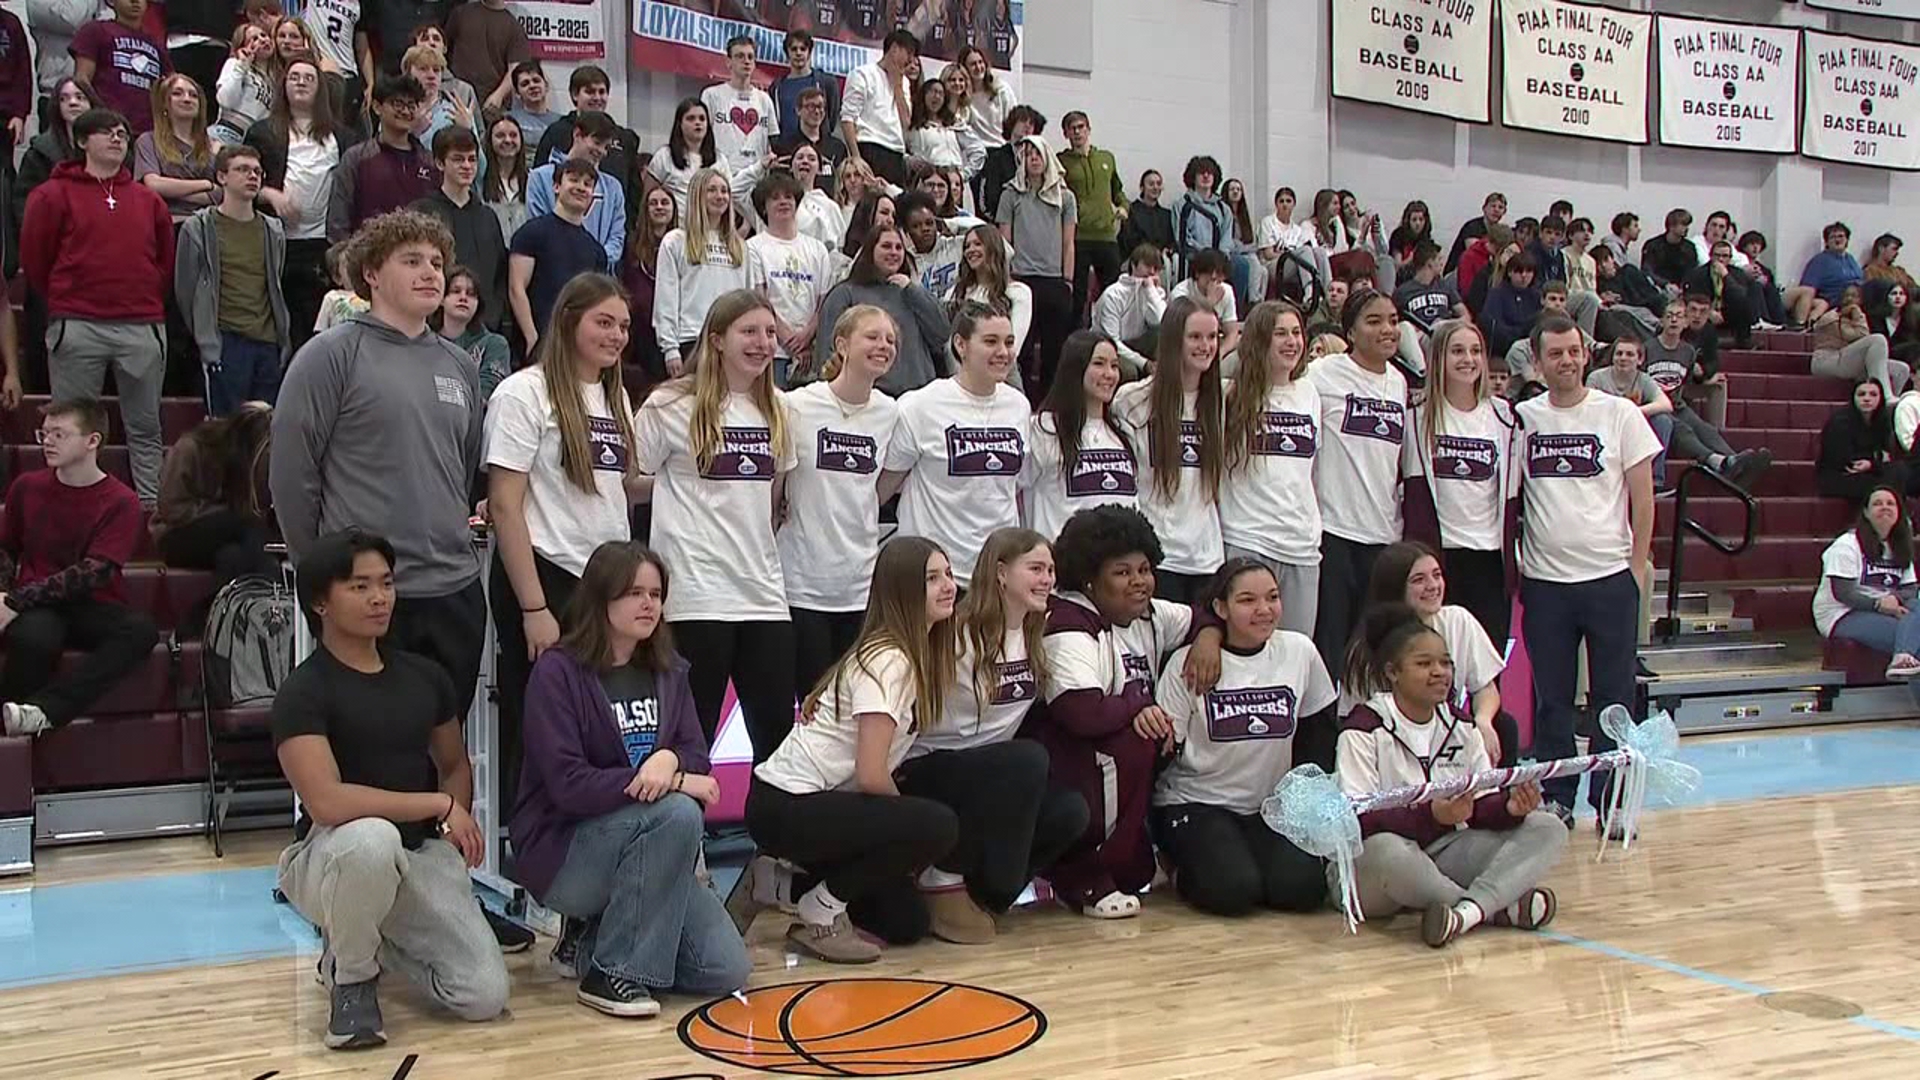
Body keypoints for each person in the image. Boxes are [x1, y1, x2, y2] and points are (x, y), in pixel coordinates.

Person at [271, 528, 509, 1049]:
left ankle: (365, 935)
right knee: (371, 839)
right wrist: (437, 803)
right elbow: (327, 802)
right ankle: (353, 981)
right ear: (321, 602)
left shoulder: (425, 677)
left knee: (483, 995)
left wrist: (453, 824)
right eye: (359, 587)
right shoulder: (302, 692)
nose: (380, 598)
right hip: (332, 853)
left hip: (418, 852)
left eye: (386, 583)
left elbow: (453, 764)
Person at [513, 536, 748, 1017]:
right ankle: (613, 973)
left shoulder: (668, 669)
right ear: (601, 598)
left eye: (656, 594)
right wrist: (672, 779)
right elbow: (569, 786)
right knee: (679, 813)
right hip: (566, 850)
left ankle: (588, 939)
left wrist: (670, 762)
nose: (648, 604)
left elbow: (695, 753)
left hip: (647, 848)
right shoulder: (558, 672)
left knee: (725, 968)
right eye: (634, 593)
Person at [736, 535, 960, 962]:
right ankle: (819, 913)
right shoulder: (890, 660)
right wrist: (904, 830)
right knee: (935, 825)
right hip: (786, 804)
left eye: (948, 574)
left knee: (906, 921)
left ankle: (776, 884)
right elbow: (873, 775)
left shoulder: (914, 653)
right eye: (932, 578)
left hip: (809, 804)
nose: (948, 585)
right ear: (901, 590)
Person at [882, 528, 1088, 943]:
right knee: (1026, 758)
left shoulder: (1036, 631)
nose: (1047, 579)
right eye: (1035, 568)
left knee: (1070, 811)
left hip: (995, 777)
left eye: (1050, 569)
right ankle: (939, 874)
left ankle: (980, 896)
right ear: (999, 573)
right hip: (926, 771)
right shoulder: (955, 632)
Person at [1022, 504, 1220, 918]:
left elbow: (1201, 617)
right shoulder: (1069, 623)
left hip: (1109, 758)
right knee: (1134, 739)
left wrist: (1207, 640)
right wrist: (1140, 705)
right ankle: (1080, 871)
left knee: (1150, 737)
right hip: (1058, 760)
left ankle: (1131, 851)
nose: (1139, 583)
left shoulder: (1147, 613)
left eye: (1145, 569)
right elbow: (1080, 712)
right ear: (1089, 578)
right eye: (1122, 572)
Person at [486, 272, 639, 806]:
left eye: (623, 325)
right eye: (604, 322)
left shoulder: (613, 397)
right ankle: (531, 847)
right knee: (543, 728)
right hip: (547, 577)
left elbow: (620, 487)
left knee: (598, 727)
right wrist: (533, 607)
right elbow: (505, 504)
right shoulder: (523, 392)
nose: (617, 335)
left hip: (605, 583)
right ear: (569, 319)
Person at [1335, 603, 1565, 947]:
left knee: (1547, 827)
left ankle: (1465, 913)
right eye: (1424, 664)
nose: (1440, 672)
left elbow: (1482, 806)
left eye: (1445, 663)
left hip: (1445, 851)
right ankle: (1497, 908)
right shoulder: (1363, 728)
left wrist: (1510, 809)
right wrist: (1433, 815)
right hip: (1374, 867)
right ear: (1392, 672)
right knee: (1391, 853)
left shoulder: (1462, 726)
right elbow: (1359, 820)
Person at [635, 290, 796, 762]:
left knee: (777, 743)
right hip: (694, 596)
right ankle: (687, 837)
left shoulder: (779, 409)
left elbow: (771, 500)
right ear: (717, 339)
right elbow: (628, 480)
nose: (763, 343)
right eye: (749, 331)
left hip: (763, 596)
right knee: (690, 741)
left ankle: (777, 838)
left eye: (769, 332)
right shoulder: (669, 404)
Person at [1517, 315, 1657, 829]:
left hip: (1609, 580)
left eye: (1574, 351)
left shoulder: (1620, 415)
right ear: (1538, 361)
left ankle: (1612, 800)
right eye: (1555, 353)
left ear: (1586, 354)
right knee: (1552, 699)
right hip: (1547, 584)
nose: (1567, 361)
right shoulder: (1524, 418)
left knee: (1612, 697)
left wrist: (1635, 568)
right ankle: (1558, 796)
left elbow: (1643, 500)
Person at [1150, 558, 1335, 916]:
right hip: (1197, 801)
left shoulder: (1299, 651)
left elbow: (1319, 736)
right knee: (1232, 893)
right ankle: (1175, 865)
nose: (1264, 610)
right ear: (1221, 607)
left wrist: (1307, 806)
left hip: (1267, 806)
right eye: (1248, 600)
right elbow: (1162, 753)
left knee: (1302, 890)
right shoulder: (1188, 663)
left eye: (1273, 597)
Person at [21, 107, 174, 509]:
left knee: (145, 426)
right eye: (107, 132)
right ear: (83, 141)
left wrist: (143, 296)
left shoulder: (148, 200)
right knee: (71, 426)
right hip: (78, 323)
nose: (118, 138)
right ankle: (71, 508)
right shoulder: (52, 194)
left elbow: (163, 260)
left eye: (123, 132)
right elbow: (36, 257)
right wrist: (66, 298)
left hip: (141, 324)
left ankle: (149, 512)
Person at [0, 398, 156, 739]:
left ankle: (45, 711)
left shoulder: (121, 500)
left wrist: (17, 601)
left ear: (92, 441)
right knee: (36, 639)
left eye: (60, 434)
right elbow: (6, 547)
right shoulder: (26, 487)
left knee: (141, 631)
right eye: (45, 433)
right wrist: (3, 593)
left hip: (90, 601)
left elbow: (95, 572)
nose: (48, 441)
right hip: (37, 602)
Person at [781, 305, 904, 699]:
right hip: (802, 583)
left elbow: (881, 486)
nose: (883, 345)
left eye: (890, 340)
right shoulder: (797, 406)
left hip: (860, 585)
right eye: (872, 336)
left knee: (852, 703)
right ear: (841, 344)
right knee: (813, 701)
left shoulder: (891, 412)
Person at [883, 302, 1026, 585]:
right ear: (961, 345)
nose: (1003, 352)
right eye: (990, 341)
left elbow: (1013, 488)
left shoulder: (1018, 405)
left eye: (1008, 342)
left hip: (996, 577)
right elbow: (882, 488)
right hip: (935, 577)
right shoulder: (920, 405)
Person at [1347, 543, 1518, 765]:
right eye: (1419, 580)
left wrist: (1483, 722)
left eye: (1437, 575)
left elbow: (1485, 688)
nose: (1433, 586)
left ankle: (1493, 799)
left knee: (1503, 726)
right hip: (1393, 738)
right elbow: (1360, 721)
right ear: (1395, 587)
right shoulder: (1367, 647)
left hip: (1445, 731)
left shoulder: (1458, 620)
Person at [1402, 320, 1517, 645]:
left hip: (1489, 556)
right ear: (1438, 357)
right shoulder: (1416, 415)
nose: (1468, 359)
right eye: (1457, 351)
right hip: (1436, 556)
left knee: (1488, 666)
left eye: (1475, 351)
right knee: (1432, 661)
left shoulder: (1505, 417)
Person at [1312, 289, 1409, 670]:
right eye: (1374, 321)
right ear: (1350, 332)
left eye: (1392, 320)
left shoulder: (1400, 382)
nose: (1387, 329)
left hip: (1382, 535)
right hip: (1334, 531)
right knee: (1331, 647)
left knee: (1371, 651)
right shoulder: (1324, 373)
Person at [1112, 297, 1225, 604]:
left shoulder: (1222, 401)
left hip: (1206, 558)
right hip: (1159, 556)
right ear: (1174, 339)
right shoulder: (1132, 400)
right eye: (1195, 337)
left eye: (1213, 337)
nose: (1206, 346)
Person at [1219, 302, 1320, 634]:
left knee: (1296, 651)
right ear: (1260, 340)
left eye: (1296, 333)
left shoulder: (1310, 393)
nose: (1292, 341)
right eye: (1280, 334)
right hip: (1249, 538)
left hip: (1302, 546)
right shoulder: (1228, 395)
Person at [248, 58, 357, 352]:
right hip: (276, 242)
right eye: (294, 76)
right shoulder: (263, 132)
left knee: (314, 328)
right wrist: (271, 195)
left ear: (321, 88)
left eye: (309, 77)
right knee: (274, 325)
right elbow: (240, 182)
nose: (301, 82)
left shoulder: (342, 137)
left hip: (322, 244)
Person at [175, 144, 291, 416]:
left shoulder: (272, 230)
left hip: (267, 341)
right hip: (225, 341)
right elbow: (185, 289)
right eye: (242, 170)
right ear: (222, 177)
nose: (252, 176)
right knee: (225, 432)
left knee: (263, 431)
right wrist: (205, 337)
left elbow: (274, 281)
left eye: (257, 172)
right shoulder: (199, 228)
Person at [152, 402, 279, 606]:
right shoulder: (192, 446)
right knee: (245, 523)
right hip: (177, 533)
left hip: (228, 538)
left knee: (232, 558)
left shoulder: (246, 461)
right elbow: (171, 509)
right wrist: (221, 516)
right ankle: (273, 593)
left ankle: (217, 620)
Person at [1023, 329, 1137, 540]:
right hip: (1062, 564)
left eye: (1114, 365)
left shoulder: (1124, 431)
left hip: (1116, 565)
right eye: (1099, 363)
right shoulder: (1044, 428)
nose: (1109, 374)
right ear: (1076, 367)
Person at [815, 223, 951, 396]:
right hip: (869, 399)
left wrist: (913, 290)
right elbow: (826, 353)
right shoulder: (844, 293)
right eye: (886, 246)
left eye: (899, 248)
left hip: (920, 397)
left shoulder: (912, 292)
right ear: (870, 250)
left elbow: (942, 333)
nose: (893, 252)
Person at [1639, 304, 1768, 485]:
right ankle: (1719, 463)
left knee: (1704, 428)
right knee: (1683, 430)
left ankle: (1737, 462)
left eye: (1678, 316)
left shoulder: (1688, 351)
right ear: (1662, 321)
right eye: (1669, 316)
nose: (1674, 320)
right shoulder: (1647, 349)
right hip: (1655, 408)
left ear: (1685, 322)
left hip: (1677, 405)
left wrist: (1708, 380)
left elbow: (1687, 382)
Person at [1813, 486, 1920, 680]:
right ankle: (1903, 654)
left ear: (1898, 512)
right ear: (1866, 513)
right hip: (1842, 613)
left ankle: (1903, 656)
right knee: (1915, 638)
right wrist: (1879, 605)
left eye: (1890, 503)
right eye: (1877, 504)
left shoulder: (1899, 546)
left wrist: (1893, 600)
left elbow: (1911, 590)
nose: (1884, 507)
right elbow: (1843, 593)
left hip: (1888, 609)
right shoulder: (1847, 544)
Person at [996, 133, 1074, 395]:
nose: (1033, 159)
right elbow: (1004, 243)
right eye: (1028, 155)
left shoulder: (1066, 197)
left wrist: (1068, 280)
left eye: (1038, 154)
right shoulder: (1010, 194)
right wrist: (1006, 279)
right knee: (1023, 349)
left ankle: (1049, 401)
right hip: (1021, 279)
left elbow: (1068, 242)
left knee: (1054, 350)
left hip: (1054, 280)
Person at [508, 157, 610, 353]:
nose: (581, 187)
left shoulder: (596, 251)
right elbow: (516, 288)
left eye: (587, 184)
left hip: (579, 348)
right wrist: (532, 337)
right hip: (539, 344)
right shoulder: (531, 233)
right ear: (556, 186)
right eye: (573, 180)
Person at [412, 126, 507, 336]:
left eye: (472, 159)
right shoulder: (422, 212)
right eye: (458, 159)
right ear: (439, 163)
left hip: (483, 328)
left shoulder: (488, 216)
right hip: (432, 328)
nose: (467, 166)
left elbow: (500, 273)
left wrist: (493, 315)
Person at [748, 171, 836, 387]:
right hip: (771, 351)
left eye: (788, 197)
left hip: (811, 354)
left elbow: (823, 302)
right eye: (775, 197)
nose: (783, 202)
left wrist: (806, 336)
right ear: (763, 207)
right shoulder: (753, 247)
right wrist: (787, 338)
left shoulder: (817, 249)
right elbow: (759, 299)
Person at [327, 74, 438, 242]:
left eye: (411, 105)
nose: (406, 111)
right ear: (377, 107)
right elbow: (338, 221)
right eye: (398, 104)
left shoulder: (429, 162)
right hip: (369, 259)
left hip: (418, 256)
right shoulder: (356, 158)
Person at [527, 111, 626, 268]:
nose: (601, 151)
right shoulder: (540, 178)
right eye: (597, 142)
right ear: (577, 134)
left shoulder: (613, 188)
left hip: (599, 279)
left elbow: (617, 238)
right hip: (554, 272)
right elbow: (538, 228)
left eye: (606, 147)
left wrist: (595, 259)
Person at [533, 66, 641, 207]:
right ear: (575, 95)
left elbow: (634, 191)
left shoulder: (623, 138)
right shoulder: (556, 132)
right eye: (590, 92)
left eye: (602, 92)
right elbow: (542, 181)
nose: (597, 97)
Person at [1056, 111, 1123, 321]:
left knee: (1112, 294)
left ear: (1089, 130)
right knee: (1077, 296)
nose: (1077, 132)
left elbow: (1117, 191)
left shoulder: (1106, 158)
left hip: (1106, 236)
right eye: (1072, 128)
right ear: (1065, 133)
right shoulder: (1060, 161)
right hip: (1078, 237)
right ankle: (1075, 342)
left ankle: (1109, 339)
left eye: (1081, 127)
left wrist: (1124, 207)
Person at [1587, 335, 1676, 491]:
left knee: (1663, 420)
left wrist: (1633, 412)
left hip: (1631, 430)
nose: (1623, 358)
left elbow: (1666, 404)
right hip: (1603, 427)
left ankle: (1655, 481)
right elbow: (1587, 410)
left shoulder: (1644, 379)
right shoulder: (1596, 378)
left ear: (1640, 360)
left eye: (1629, 354)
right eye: (1619, 353)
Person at [70, 0, 171, 134]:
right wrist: (101, 113)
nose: (135, 1)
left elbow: (170, 85)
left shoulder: (156, 45)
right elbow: (81, 79)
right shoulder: (96, 30)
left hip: (147, 133)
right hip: (105, 128)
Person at [132, 74, 220, 222]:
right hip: (166, 222)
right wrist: (206, 184)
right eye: (177, 93)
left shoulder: (215, 146)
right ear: (165, 103)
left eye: (193, 95)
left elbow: (224, 193)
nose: (187, 99)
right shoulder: (148, 141)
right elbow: (153, 185)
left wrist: (171, 191)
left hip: (207, 224)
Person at [946, 221, 1033, 364]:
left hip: (1001, 371)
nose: (970, 250)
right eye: (967, 246)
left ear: (993, 248)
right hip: (961, 372)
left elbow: (1014, 346)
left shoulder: (1017, 292)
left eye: (978, 244)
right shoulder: (955, 292)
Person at [841, 29, 917, 187]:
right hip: (869, 146)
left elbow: (906, 122)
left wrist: (897, 85)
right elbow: (848, 118)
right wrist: (856, 156)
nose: (910, 60)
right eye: (908, 53)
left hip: (896, 152)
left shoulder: (904, 83)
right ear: (894, 48)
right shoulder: (862, 74)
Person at [1812, 283, 1909, 401]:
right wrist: (1857, 315)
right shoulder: (1831, 316)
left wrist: (1857, 315)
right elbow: (1856, 336)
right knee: (1878, 339)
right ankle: (1884, 395)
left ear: (1861, 300)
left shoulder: (1858, 316)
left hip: (1845, 359)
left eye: (1854, 296)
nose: (1850, 299)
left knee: (1901, 369)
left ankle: (1889, 407)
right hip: (1827, 361)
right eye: (1846, 296)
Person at [1818, 380, 1906, 505]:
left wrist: (1871, 464)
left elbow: (1889, 455)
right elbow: (1848, 462)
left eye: (1873, 394)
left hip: (1868, 472)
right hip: (1839, 476)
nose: (1867, 399)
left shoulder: (1882, 421)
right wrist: (1876, 461)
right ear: (1853, 397)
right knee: (1885, 483)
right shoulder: (1839, 423)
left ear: (1881, 398)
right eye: (1861, 394)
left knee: (1899, 471)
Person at [703, 35, 779, 175]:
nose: (746, 61)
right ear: (728, 61)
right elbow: (702, 137)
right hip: (722, 176)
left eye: (750, 57)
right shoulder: (712, 95)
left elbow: (773, 140)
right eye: (740, 56)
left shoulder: (764, 100)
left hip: (756, 178)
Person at [444, 0, 531, 116]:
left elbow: (516, 68)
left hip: (490, 105)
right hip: (457, 97)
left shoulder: (513, 26)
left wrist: (498, 95)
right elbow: (442, 49)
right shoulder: (461, 13)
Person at [1092, 244, 1166, 377]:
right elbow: (1113, 340)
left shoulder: (1150, 291)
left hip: (1136, 343)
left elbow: (1164, 321)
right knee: (1129, 371)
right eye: (1147, 266)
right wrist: (1144, 363)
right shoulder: (1113, 295)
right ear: (1133, 265)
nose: (1152, 272)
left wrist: (1151, 292)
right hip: (1108, 345)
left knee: (1162, 335)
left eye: (1155, 268)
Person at [438, 266, 508, 399]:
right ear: (441, 298)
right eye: (456, 291)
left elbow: (486, 393)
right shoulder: (425, 340)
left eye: (471, 294)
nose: (463, 297)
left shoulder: (494, 344)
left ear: (478, 303)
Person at [299, 0, 375, 123]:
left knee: (344, 132)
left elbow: (362, 47)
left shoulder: (359, 6)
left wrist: (370, 82)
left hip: (347, 76)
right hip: (317, 71)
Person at [1170, 249, 1241, 370]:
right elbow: (1184, 330)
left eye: (1218, 273)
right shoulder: (1181, 292)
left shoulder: (1227, 290)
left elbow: (1232, 332)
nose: (1213, 278)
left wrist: (1220, 354)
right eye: (1208, 273)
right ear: (1197, 273)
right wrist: (1210, 302)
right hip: (1186, 346)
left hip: (1215, 344)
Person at [211, 24, 276, 145]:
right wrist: (242, 66)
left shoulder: (273, 81)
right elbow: (225, 100)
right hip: (227, 133)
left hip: (252, 142)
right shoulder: (235, 64)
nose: (262, 40)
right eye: (254, 39)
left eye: (263, 35)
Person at [776, 86, 847, 193]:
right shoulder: (783, 146)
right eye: (811, 106)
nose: (817, 111)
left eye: (820, 106)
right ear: (798, 110)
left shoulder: (837, 147)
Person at [773, 28, 840, 141]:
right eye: (794, 49)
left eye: (803, 49)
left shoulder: (827, 83)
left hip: (817, 149)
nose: (798, 53)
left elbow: (831, 117)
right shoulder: (776, 88)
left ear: (809, 53)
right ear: (787, 53)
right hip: (786, 149)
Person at [1174, 155, 1228, 278]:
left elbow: (1226, 237)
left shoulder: (1224, 209)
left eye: (1210, 173)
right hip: (1193, 255)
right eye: (1201, 172)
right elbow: (1181, 236)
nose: (1206, 176)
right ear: (1193, 177)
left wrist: (1219, 255)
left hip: (1219, 257)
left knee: (1242, 264)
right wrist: (1206, 254)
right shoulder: (1181, 205)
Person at [1799, 221, 1863, 325]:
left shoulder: (1850, 259)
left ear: (1847, 240)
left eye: (1841, 236)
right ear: (1827, 242)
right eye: (1833, 237)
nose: (1837, 240)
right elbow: (1808, 289)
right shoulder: (1819, 261)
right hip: (1834, 304)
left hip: (1857, 301)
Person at [1480, 252, 1540, 361]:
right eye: (1519, 271)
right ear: (1509, 272)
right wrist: (1520, 333)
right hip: (1504, 351)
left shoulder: (1537, 296)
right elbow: (1494, 326)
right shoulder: (1497, 294)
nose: (1524, 276)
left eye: (1529, 271)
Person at [482, 113, 529, 240]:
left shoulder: (532, 180)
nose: (508, 140)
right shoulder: (481, 179)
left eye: (513, 135)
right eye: (500, 136)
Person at [1117, 167, 1174, 271]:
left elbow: (1171, 241)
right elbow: (1128, 240)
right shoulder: (1132, 211)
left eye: (1158, 184)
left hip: (1161, 264)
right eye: (1151, 184)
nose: (1155, 187)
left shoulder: (1166, 215)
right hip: (1137, 261)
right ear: (1142, 187)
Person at [505, 62, 561, 161]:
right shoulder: (507, 120)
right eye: (525, 84)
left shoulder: (561, 121)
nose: (532, 86)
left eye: (536, 81)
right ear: (517, 93)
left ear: (546, 86)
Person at [1443, 191, 1505, 275]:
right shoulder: (1472, 227)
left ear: (1504, 212)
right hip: (1456, 273)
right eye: (1493, 206)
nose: (1496, 210)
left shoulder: (1500, 231)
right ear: (1484, 208)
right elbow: (1475, 254)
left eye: (1500, 207)